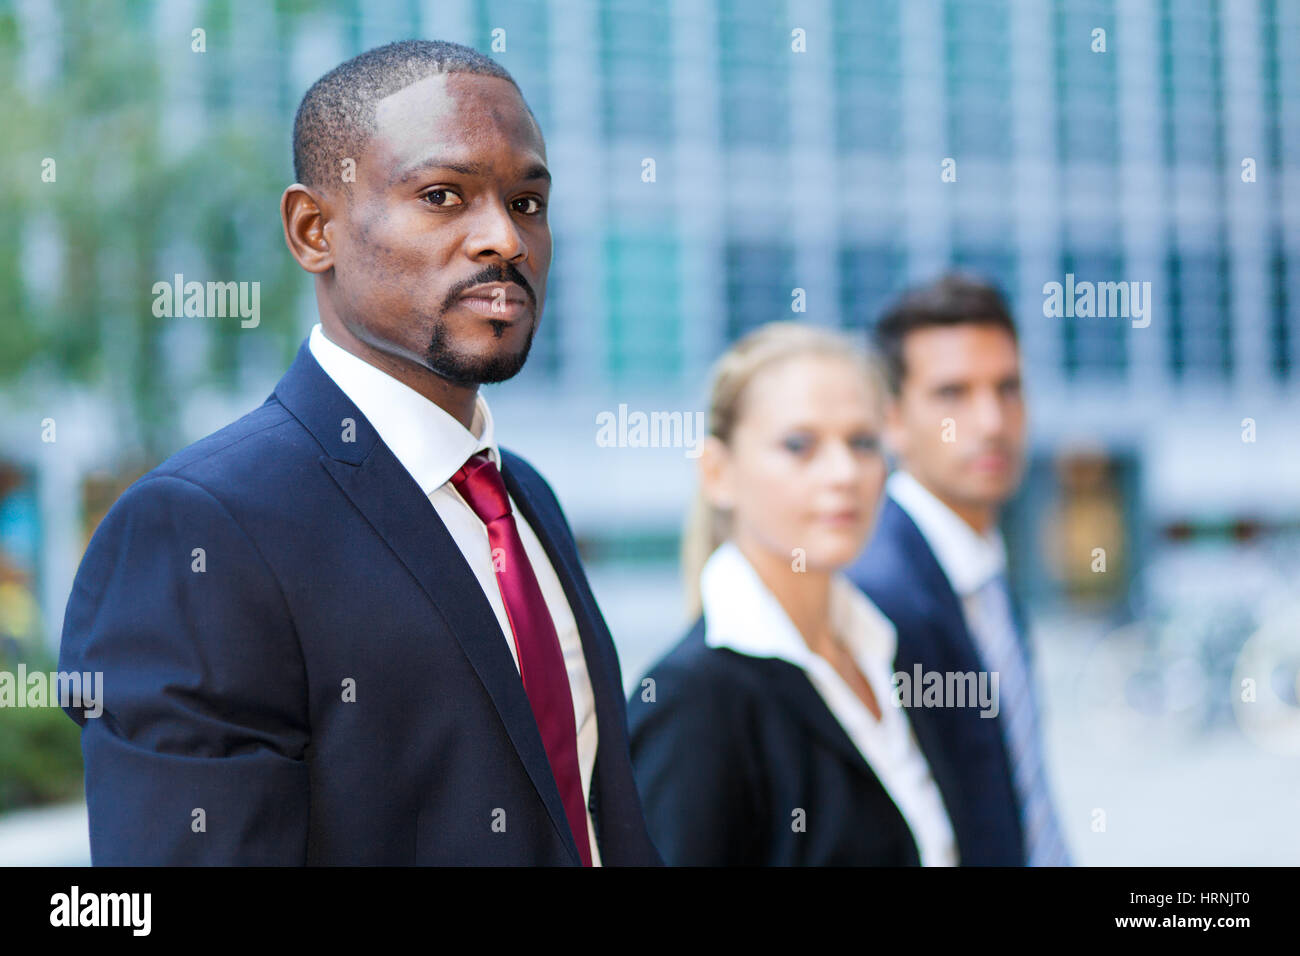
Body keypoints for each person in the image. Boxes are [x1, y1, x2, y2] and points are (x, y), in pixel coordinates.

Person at [57, 40, 661, 866]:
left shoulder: (528, 499)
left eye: (527, 203)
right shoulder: (202, 528)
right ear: (314, 231)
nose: (505, 241)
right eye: (444, 195)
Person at [627, 322, 961, 865]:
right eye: (799, 445)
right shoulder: (695, 703)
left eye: (863, 442)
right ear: (718, 472)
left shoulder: (890, 648)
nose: (844, 473)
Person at [844, 272, 1071, 866]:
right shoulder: (877, 593)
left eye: (1008, 388)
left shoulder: (987, 570)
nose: (992, 421)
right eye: (953, 394)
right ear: (892, 420)